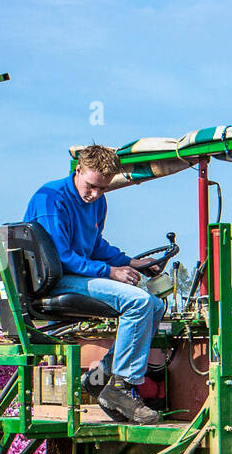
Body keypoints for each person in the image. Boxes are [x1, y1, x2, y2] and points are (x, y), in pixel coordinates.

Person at [24, 145, 165, 424]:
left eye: (103, 189)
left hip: (76, 275)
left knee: (156, 305)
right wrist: (111, 272)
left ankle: (99, 379)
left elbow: (95, 245)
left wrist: (132, 262)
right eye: (91, 187)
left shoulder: (97, 202)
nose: (95, 195)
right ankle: (121, 388)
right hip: (53, 281)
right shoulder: (51, 199)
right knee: (138, 302)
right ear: (78, 170)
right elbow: (63, 257)